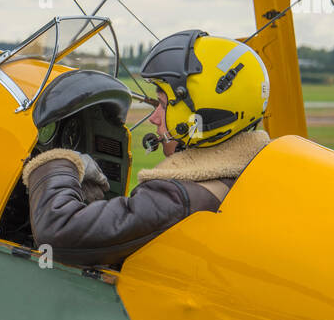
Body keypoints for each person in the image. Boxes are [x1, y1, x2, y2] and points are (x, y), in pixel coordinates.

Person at [22, 29, 271, 268]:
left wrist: (60, 163)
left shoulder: (177, 199)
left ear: (196, 116)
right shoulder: (247, 175)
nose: (154, 118)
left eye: (163, 104)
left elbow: (58, 232)